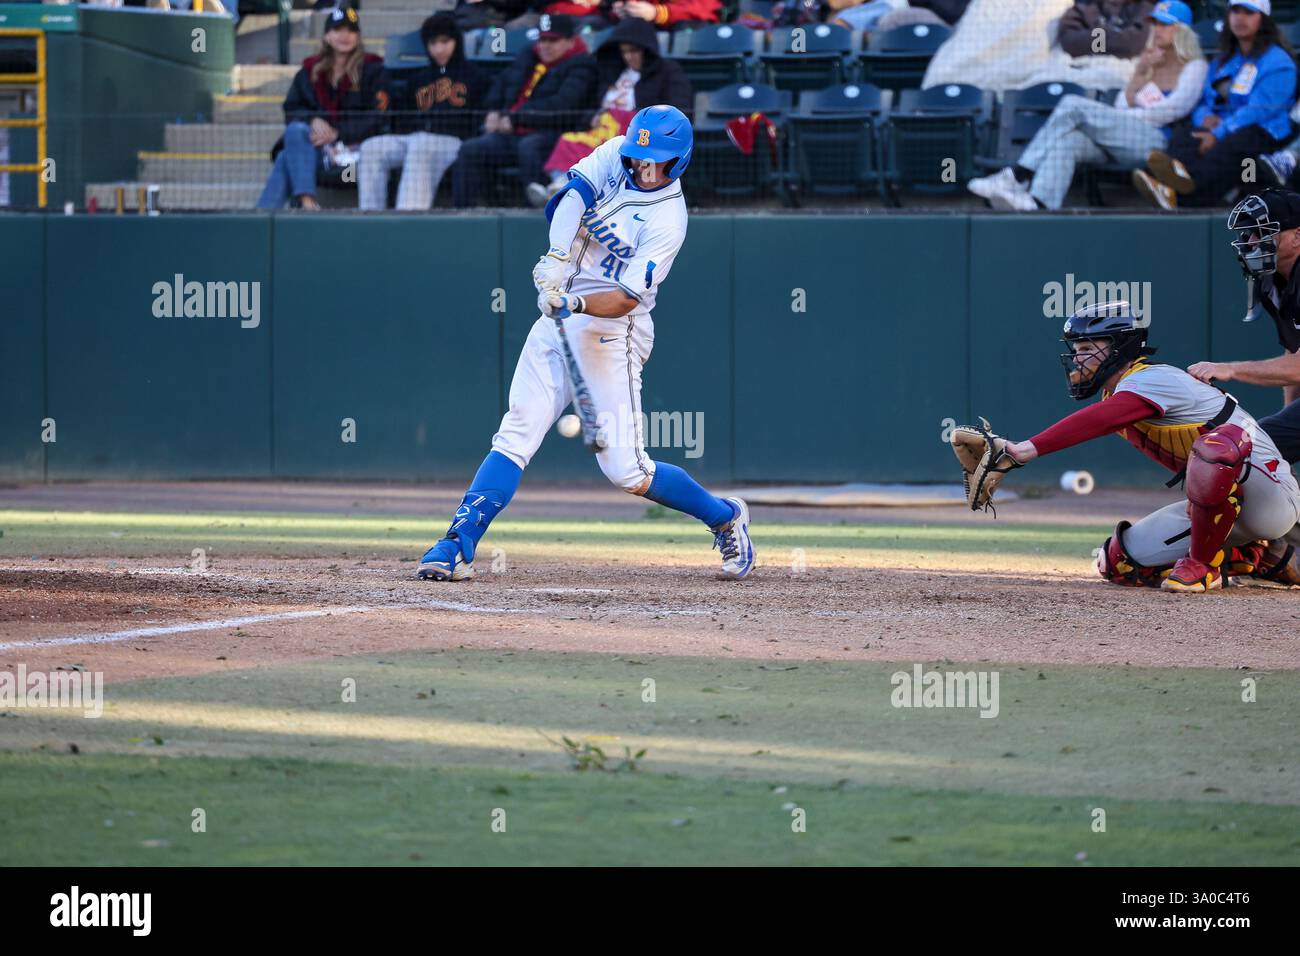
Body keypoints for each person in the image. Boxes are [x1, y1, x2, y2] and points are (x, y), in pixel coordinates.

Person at [416, 105, 756, 583]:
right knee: (518, 430)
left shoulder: (668, 221)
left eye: (653, 159)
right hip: (556, 318)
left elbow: (622, 301)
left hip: (611, 332)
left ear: (677, 161)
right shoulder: (617, 152)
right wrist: (556, 258)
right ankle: (456, 542)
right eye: (638, 154)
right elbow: (572, 197)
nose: (640, 165)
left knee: (628, 472)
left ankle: (724, 517)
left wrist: (573, 303)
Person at [989, 301, 1300, 592]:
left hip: (1270, 496)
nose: (1077, 357)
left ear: (1117, 349)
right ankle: (1260, 557)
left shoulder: (1153, 378)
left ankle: (1201, 566)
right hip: (1233, 501)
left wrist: (1024, 450)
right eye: (1076, 349)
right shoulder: (1117, 393)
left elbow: (1099, 420)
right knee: (1117, 563)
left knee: (1215, 449)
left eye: (1086, 348)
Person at [968, 0, 1204, 211]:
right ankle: (1039, 202)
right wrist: (1140, 74)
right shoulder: (1150, 61)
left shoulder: (1195, 66)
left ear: (1182, 30)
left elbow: (1173, 110)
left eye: (1165, 24)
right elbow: (1123, 104)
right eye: (1156, 23)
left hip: (1157, 146)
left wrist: (1124, 119)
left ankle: (1018, 174)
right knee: (1069, 141)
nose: (1158, 29)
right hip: (1122, 139)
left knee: (1073, 105)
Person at [1133, 0, 1296, 210]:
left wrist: (1218, 132)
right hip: (1226, 125)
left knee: (1235, 143)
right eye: (1235, 11)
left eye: (1248, 12)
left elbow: (1258, 111)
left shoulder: (1278, 62)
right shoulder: (1223, 60)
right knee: (1186, 135)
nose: (1240, 18)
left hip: (1266, 132)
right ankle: (1177, 179)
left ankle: (1179, 197)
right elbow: (1204, 101)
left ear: (1262, 19)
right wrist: (1206, 119)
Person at [525, 16, 691, 207]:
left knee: (608, 153)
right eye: (624, 52)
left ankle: (567, 189)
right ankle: (562, 185)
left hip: (638, 135)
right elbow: (589, 107)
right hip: (600, 127)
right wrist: (592, 118)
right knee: (568, 140)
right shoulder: (612, 72)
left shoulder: (668, 71)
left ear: (647, 49)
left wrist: (642, 123)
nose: (628, 57)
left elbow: (679, 112)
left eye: (634, 51)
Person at [1189, 190, 1300, 469]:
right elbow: (1294, 349)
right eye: (1249, 233)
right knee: (1257, 447)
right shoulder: (1273, 280)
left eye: (1261, 232)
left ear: (1297, 236)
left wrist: (1231, 369)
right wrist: (1290, 414)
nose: (1251, 242)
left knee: (1245, 448)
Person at [452, 13, 598, 208]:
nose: (545, 45)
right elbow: (502, 83)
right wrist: (494, 110)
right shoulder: (529, 56)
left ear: (571, 41)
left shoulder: (582, 64)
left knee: (530, 146)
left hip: (556, 134)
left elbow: (563, 104)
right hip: (513, 132)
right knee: (472, 149)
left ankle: (546, 210)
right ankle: (470, 211)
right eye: (542, 39)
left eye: (553, 40)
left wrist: (515, 119)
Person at [257, 7, 386, 211]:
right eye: (338, 30)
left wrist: (338, 134)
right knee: (296, 132)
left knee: (286, 157)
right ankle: (306, 201)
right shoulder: (309, 71)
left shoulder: (373, 69)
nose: (345, 36)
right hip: (321, 155)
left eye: (351, 30)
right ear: (327, 35)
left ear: (358, 36)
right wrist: (313, 120)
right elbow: (292, 109)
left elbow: (380, 116)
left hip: (353, 161)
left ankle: (262, 219)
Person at [358, 14, 486, 211]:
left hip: (453, 140)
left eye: (445, 42)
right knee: (371, 148)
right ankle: (370, 219)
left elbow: (480, 119)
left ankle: (408, 222)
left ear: (456, 41)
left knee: (422, 144)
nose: (439, 49)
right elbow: (401, 117)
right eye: (433, 43)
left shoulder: (475, 76)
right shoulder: (418, 79)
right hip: (415, 138)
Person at [1057, 1, 1154, 60]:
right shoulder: (1085, 6)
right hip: (1083, 74)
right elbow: (1069, 41)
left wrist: (1095, 37)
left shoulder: (1142, 6)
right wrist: (1112, 36)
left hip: (1122, 79)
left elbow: (1133, 44)